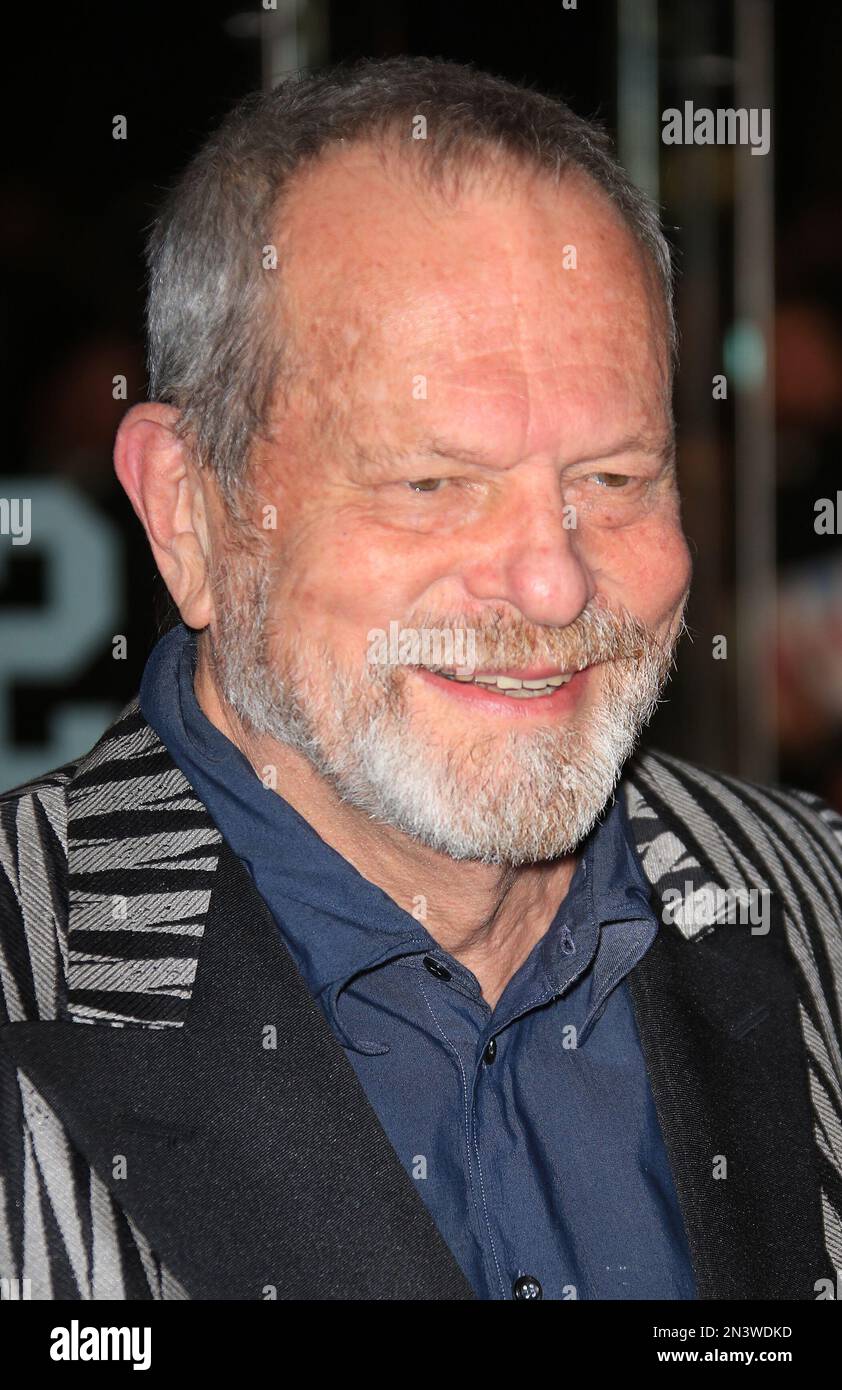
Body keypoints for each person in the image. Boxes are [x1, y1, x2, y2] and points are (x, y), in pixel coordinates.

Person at [1, 55, 840, 1303]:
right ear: (191, 513)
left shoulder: (814, 906)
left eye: (612, 479)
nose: (552, 586)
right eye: (431, 485)